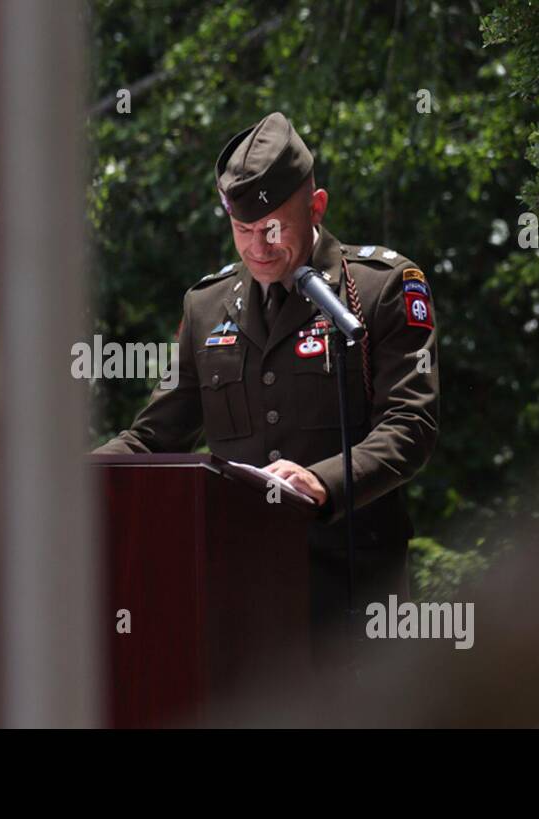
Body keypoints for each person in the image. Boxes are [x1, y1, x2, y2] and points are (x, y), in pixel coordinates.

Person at [94, 112, 439, 660]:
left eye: (273, 229)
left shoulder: (379, 290)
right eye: (243, 231)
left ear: (316, 207)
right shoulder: (206, 307)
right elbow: (152, 439)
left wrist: (321, 481)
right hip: (238, 600)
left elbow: (410, 425)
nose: (258, 248)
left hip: (353, 602)